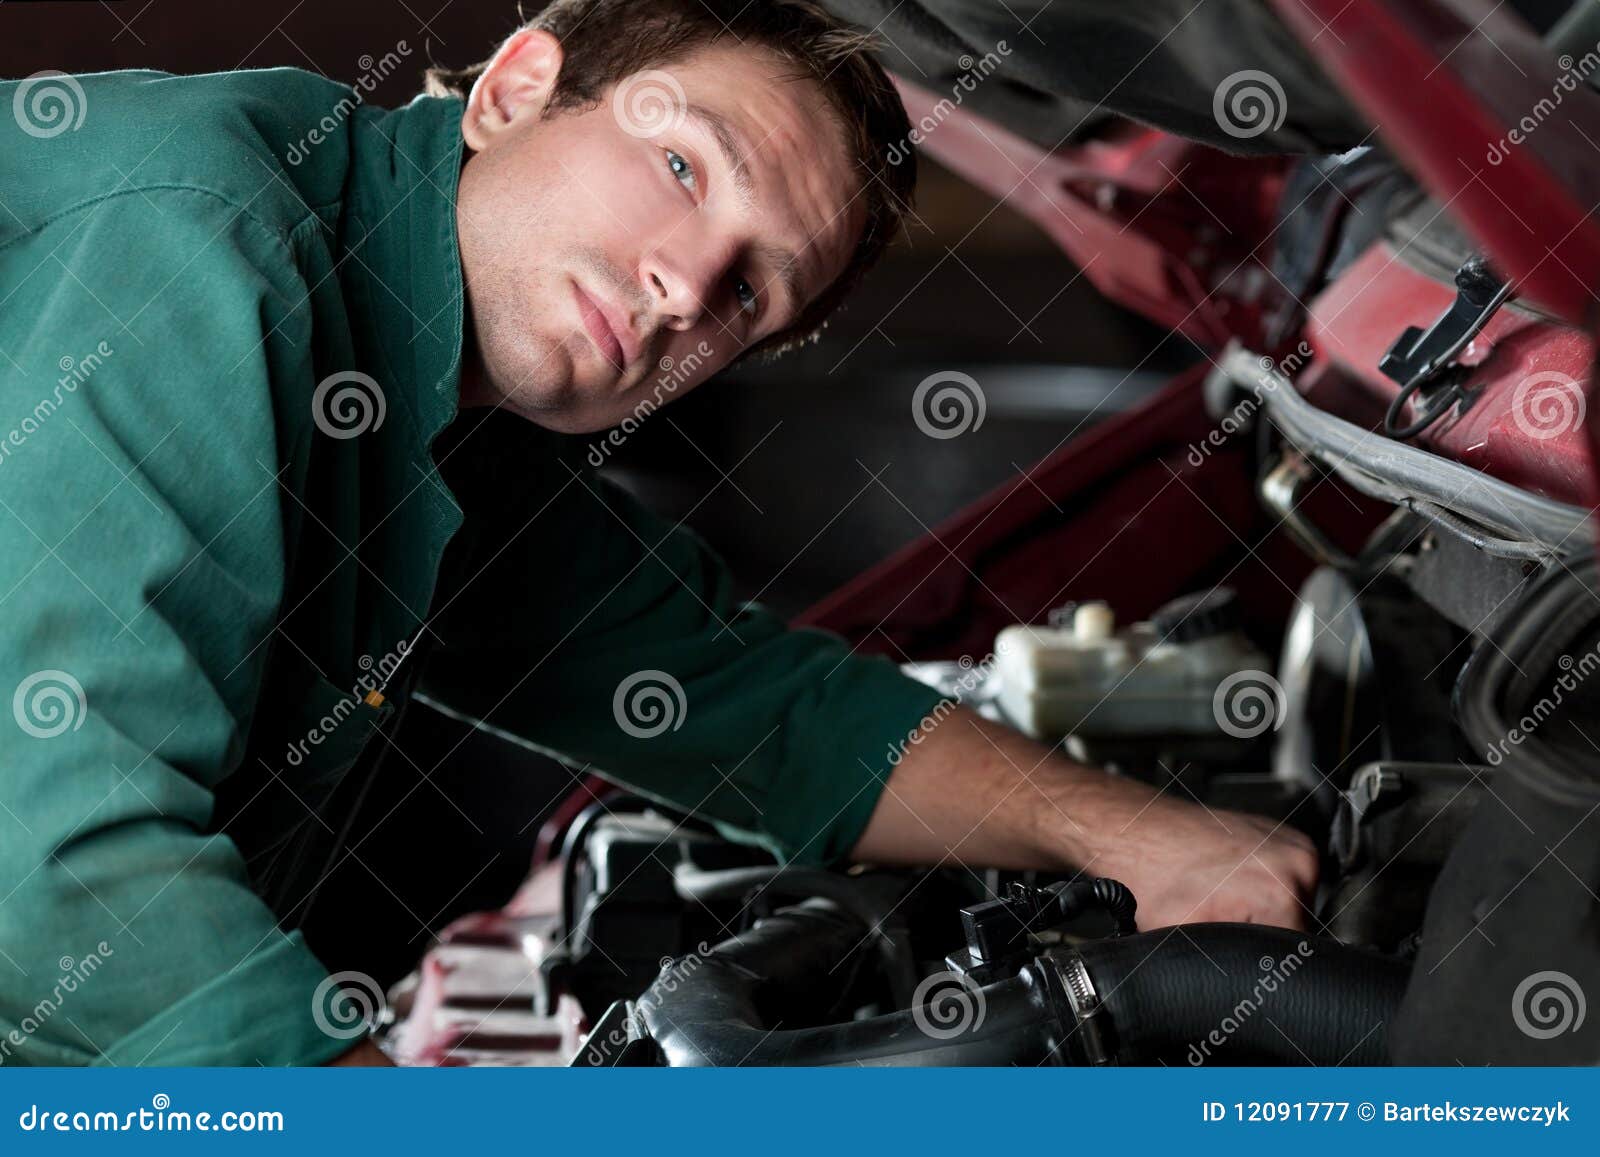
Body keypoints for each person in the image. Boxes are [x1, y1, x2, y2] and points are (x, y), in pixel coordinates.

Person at [0, 0, 1315, 1067]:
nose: (685, 285)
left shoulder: (436, 401)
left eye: (749, 291)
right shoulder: (202, 247)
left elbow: (757, 707)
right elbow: (58, 865)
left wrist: (1143, 840)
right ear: (518, 87)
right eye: (682, 167)